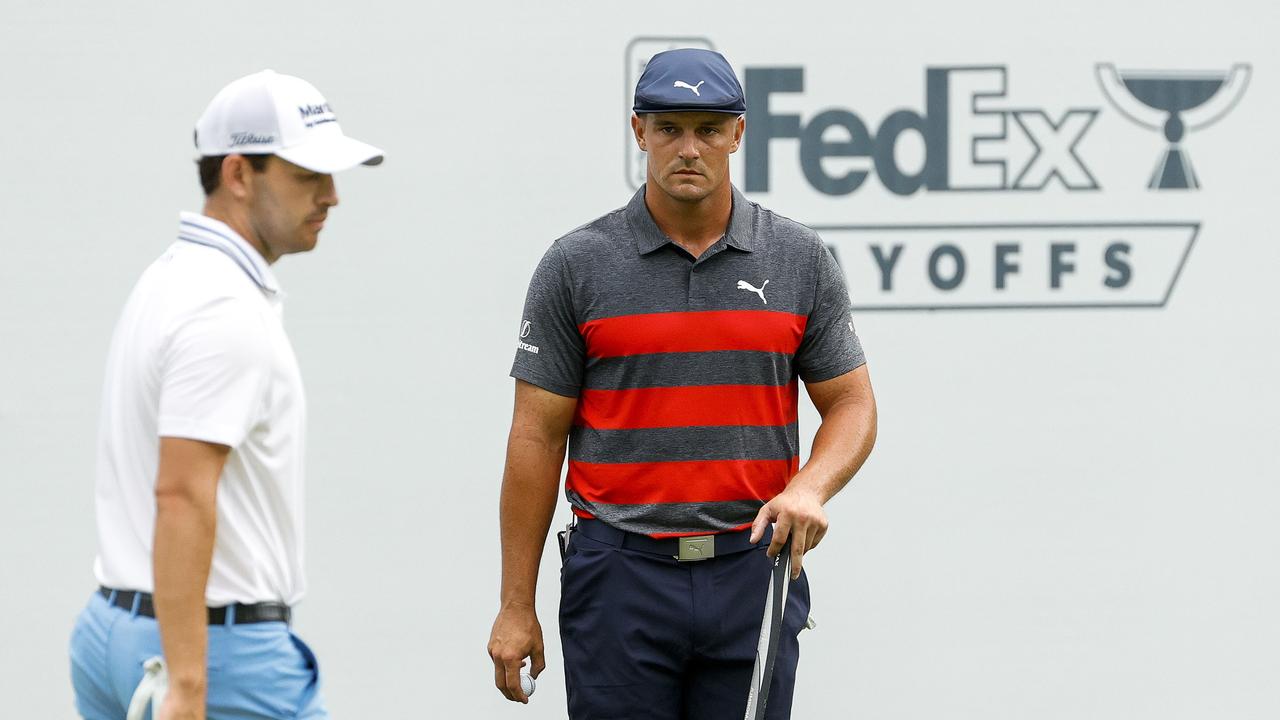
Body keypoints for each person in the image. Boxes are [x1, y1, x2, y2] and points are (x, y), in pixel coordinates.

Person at [487, 48, 878, 719]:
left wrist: (810, 487)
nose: (688, 147)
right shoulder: (576, 265)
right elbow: (535, 437)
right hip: (618, 575)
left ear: (738, 134)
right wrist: (516, 605)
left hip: (753, 567)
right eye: (669, 128)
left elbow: (851, 403)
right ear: (639, 131)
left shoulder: (799, 258)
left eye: (708, 127)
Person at [69, 70, 382, 720]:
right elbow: (181, 494)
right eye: (307, 175)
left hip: (112, 632)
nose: (332, 196)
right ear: (238, 174)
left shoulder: (170, 277)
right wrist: (188, 683)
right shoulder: (221, 306)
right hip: (213, 654)